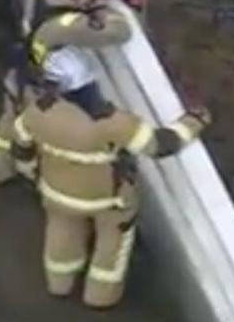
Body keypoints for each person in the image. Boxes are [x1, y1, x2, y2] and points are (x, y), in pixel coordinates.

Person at [11, 46, 211, 308]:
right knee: (111, 246)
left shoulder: (37, 112)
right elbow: (161, 145)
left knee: (61, 234)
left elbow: (21, 143)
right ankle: (99, 297)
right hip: (109, 201)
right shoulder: (112, 122)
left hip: (56, 194)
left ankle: (59, 284)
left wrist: (31, 172)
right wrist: (194, 121)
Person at [0, 0, 141, 185]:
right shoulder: (70, 25)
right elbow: (120, 31)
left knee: (10, 124)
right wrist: (101, 8)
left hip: (21, 70)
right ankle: (32, 175)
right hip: (47, 88)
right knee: (38, 132)